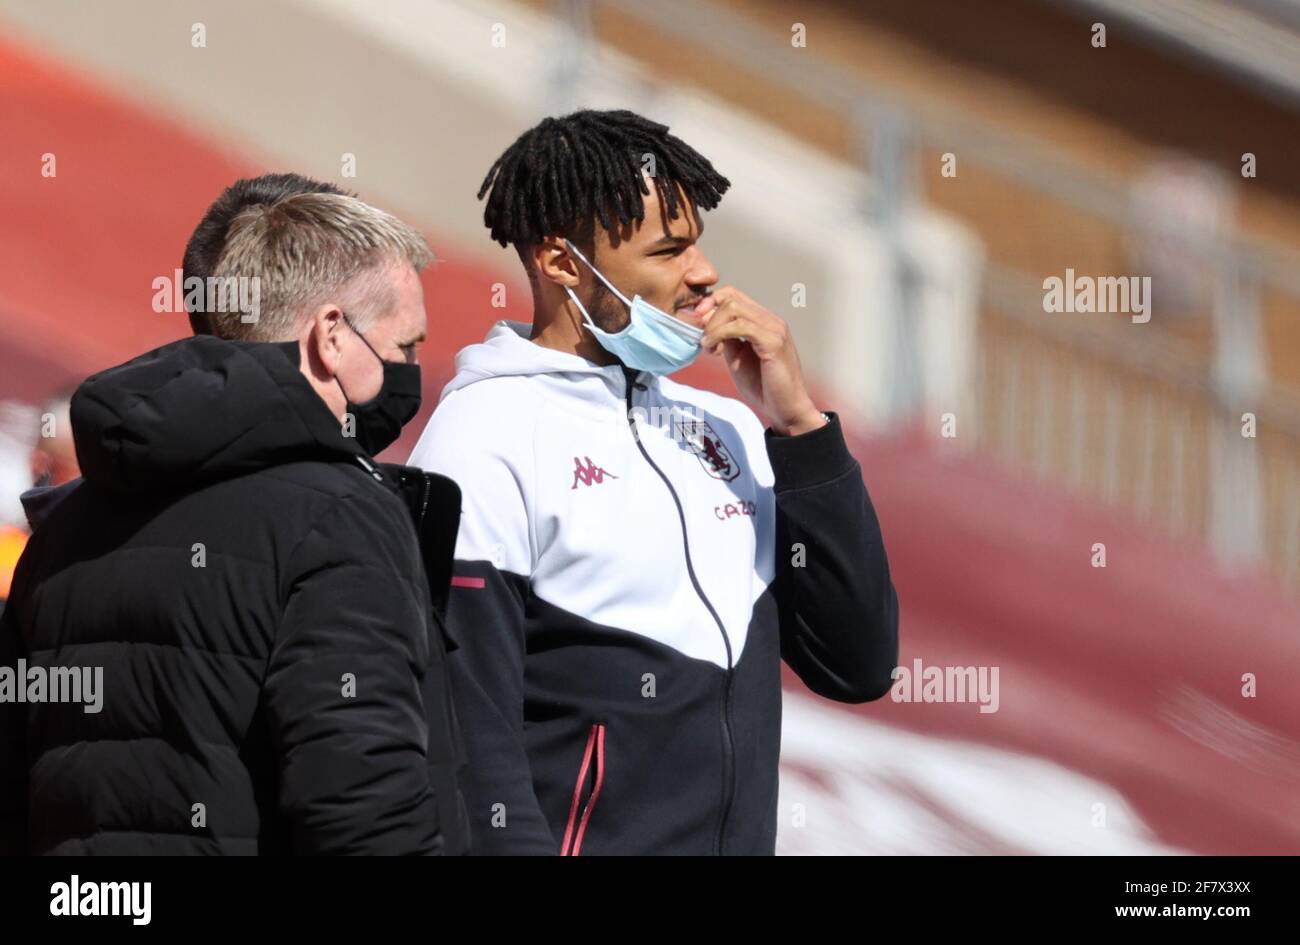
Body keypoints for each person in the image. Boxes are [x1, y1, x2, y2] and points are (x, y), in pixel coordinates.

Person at [409, 109, 900, 855]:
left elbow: (856, 663)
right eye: (668, 250)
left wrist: (799, 427)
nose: (703, 274)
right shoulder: (484, 438)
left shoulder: (728, 428)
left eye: (697, 244)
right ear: (562, 264)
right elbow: (469, 740)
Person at [0, 186, 466, 854]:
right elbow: (363, 806)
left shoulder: (65, 525)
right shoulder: (342, 516)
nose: (411, 372)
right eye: (405, 346)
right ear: (331, 335)